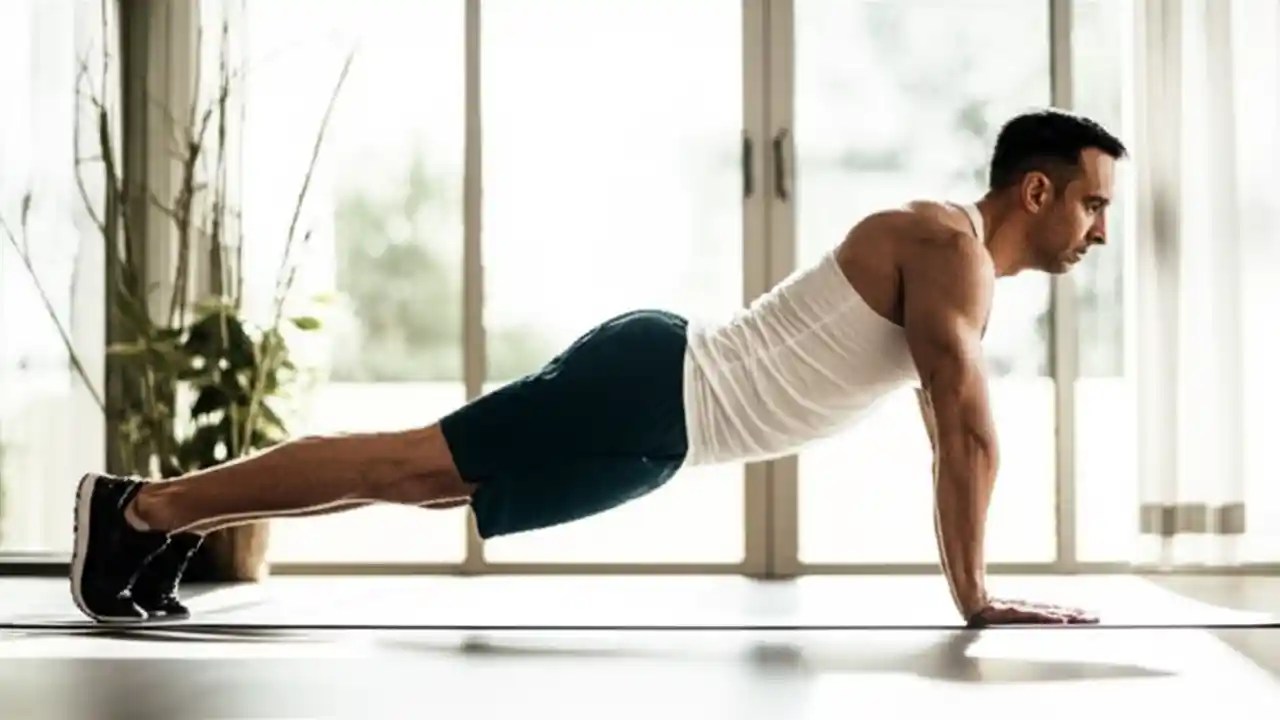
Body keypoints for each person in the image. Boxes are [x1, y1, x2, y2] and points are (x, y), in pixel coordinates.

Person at [70, 107, 1126, 627]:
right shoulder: (945, 248)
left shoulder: (952, 262)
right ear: (1032, 192)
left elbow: (945, 426)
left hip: (659, 422)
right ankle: (142, 514)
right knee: (405, 466)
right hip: (654, 390)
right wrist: (976, 596)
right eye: (1092, 206)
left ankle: (162, 519)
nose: (1098, 232)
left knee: (430, 483)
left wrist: (970, 579)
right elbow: (964, 426)